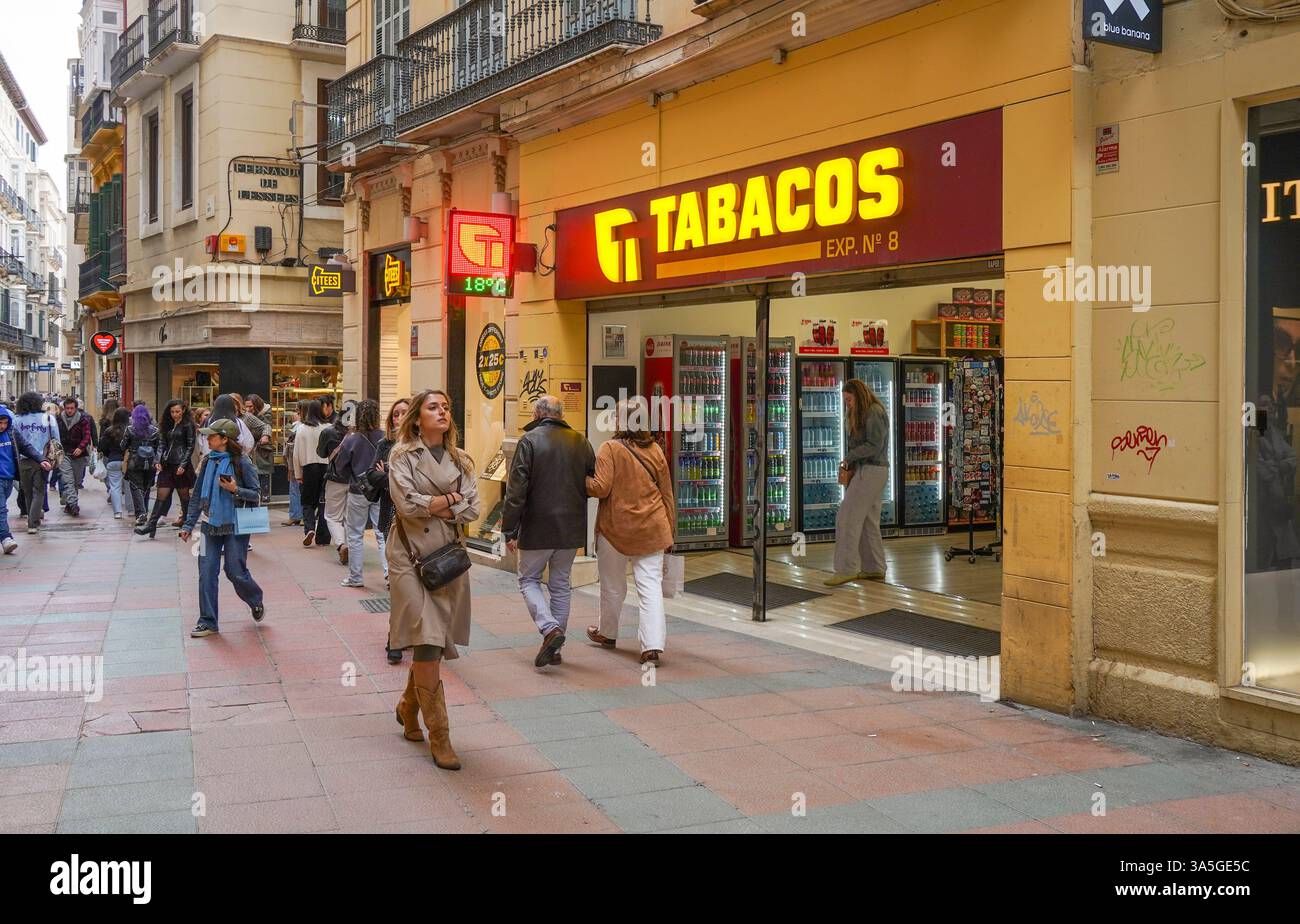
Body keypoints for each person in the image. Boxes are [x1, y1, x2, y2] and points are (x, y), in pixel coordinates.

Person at [387, 389, 478, 770]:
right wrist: (447, 501)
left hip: (447, 556)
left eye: (446, 407)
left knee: (435, 640)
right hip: (409, 556)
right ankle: (439, 734)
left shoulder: (462, 459)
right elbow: (405, 505)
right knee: (426, 637)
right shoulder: (401, 456)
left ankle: (408, 707)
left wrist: (437, 504)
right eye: (433, 407)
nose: (442, 411)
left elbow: (473, 508)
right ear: (417, 418)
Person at [501, 395, 595, 668]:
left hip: (537, 525)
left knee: (528, 579)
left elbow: (516, 491)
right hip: (571, 526)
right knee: (560, 584)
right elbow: (591, 480)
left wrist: (509, 529)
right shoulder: (581, 441)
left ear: (537, 414)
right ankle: (554, 648)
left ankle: (549, 628)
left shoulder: (529, 441)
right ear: (560, 415)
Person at [584, 401, 675, 664]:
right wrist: (670, 530)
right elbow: (667, 494)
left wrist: (582, 480)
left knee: (612, 585)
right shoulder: (656, 450)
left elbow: (601, 488)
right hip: (653, 528)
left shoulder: (610, 448)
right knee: (650, 587)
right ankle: (651, 647)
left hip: (616, 529)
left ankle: (608, 633)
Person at [180, 418, 266, 637]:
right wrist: (188, 524)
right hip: (208, 524)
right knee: (206, 572)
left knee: (234, 571)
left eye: (212, 435)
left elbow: (257, 495)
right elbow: (197, 495)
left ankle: (255, 599)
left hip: (235, 524)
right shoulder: (208, 461)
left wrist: (236, 490)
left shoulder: (242, 462)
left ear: (224, 439)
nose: (208, 439)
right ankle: (208, 621)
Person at [825, 378, 891, 586]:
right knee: (868, 521)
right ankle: (874, 568)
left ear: (858, 396)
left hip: (871, 470)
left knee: (847, 517)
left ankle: (846, 569)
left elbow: (874, 444)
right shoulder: (864, 412)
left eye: (849, 400)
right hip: (870, 470)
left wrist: (850, 456)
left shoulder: (873, 412)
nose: (847, 404)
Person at [372, 397, 409, 663]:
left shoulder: (423, 446)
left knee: (415, 583)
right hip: (390, 518)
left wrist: (388, 474)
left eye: (404, 413)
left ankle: (411, 632)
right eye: (395, 414)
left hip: (419, 522)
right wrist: (392, 478)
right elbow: (373, 476)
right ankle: (394, 636)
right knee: (398, 581)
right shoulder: (384, 445)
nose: (399, 418)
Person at [336, 400, 385, 589]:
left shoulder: (351, 439)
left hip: (358, 490)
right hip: (381, 490)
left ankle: (356, 577)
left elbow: (340, 468)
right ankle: (390, 575)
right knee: (383, 533)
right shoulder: (386, 438)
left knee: (355, 535)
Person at [136, 400, 196, 536]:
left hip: (180, 464)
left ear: (183, 410)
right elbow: (162, 443)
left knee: (184, 496)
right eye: (172, 411)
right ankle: (151, 525)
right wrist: (158, 459)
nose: (175, 414)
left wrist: (183, 464)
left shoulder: (188, 425)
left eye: (177, 411)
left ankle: (187, 523)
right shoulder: (167, 424)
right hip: (167, 464)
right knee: (161, 494)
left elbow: (190, 446)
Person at [0, 405, 50, 552]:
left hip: (9, 478)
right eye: (0, 423)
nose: (2, 426)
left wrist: (41, 459)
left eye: (5, 423)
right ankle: (6, 538)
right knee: (1, 509)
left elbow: (26, 447)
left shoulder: (11, 432)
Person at [11, 392, 58, 534]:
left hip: (23, 460)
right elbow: (56, 439)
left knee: (27, 492)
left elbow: (14, 442)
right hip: (43, 459)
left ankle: (31, 518)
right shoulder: (48, 418)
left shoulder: (17, 420)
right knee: (39, 491)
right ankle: (33, 523)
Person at [317, 400, 355, 561]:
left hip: (335, 478)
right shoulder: (362, 434)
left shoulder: (329, 432)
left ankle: (341, 544)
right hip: (355, 480)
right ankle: (352, 546)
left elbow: (321, 453)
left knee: (332, 516)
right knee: (351, 516)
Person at [292, 399, 330, 546]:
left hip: (308, 468)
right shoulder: (329, 427)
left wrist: (297, 474)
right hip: (326, 468)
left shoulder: (302, 429)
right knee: (324, 502)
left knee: (307, 501)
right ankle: (323, 537)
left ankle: (309, 528)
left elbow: (296, 454)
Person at [123, 405, 161, 528]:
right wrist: (157, 460)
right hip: (150, 462)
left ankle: (141, 513)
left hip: (134, 462)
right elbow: (159, 446)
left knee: (136, 487)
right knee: (146, 487)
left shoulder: (130, 429)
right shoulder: (154, 430)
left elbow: (123, 445)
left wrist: (131, 447)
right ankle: (143, 512)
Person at [55, 397, 92, 516]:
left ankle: (69, 504)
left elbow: (87, 435)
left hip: (79, 455)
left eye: (72, 408)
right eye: (67, 408)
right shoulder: (58, 419)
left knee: (76, 481)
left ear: (76, 408)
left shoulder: (83, 419)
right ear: (64, 408)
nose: (69, 410)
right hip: (64, 453)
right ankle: (74, 504)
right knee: (68, 480)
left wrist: (81, 447)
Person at [98, 408, 130, 520]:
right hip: (128, 461)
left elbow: (101, 447)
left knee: (115, 487)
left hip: (113, 460)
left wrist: (109, 454)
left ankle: (117, 512)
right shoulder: (130, 430)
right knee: (129, 486)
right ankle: (131, 510)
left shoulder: (109, 431)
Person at [242, 394, 275, 504]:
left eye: (250, 406)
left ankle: (264, 495)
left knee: (263, 472)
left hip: (262, 448)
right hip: (251, 448)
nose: (248, 409)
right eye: (246, 406)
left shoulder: (266, 415)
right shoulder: (247, 415)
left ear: (257, 405)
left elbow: (266, 428)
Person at [282, 400, 308, 526]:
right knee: (294, 489)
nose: (296, 413)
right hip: (293, 460)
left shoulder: (304, 427)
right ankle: (294, 515)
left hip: (304, 461)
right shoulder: (296, 426)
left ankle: (303, 515)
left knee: (302, 489)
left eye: (299, 410)